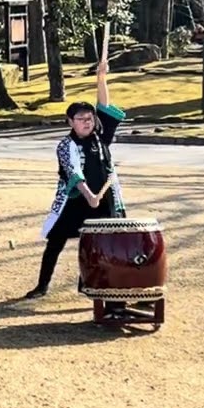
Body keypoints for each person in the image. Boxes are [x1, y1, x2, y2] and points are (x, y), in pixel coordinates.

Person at [26, 56, 129, 312]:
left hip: (104, 199)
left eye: (89, 118)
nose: (87, 121)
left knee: (102, 243)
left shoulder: (100, 137)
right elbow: (74, 173)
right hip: (75, 201)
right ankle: (42, 285)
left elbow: (103, 106)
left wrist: (101, 78)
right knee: (56, 242)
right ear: (70, 121)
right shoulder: (66, 144)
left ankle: (90, 284)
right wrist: (88, 194)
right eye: (81, 118)